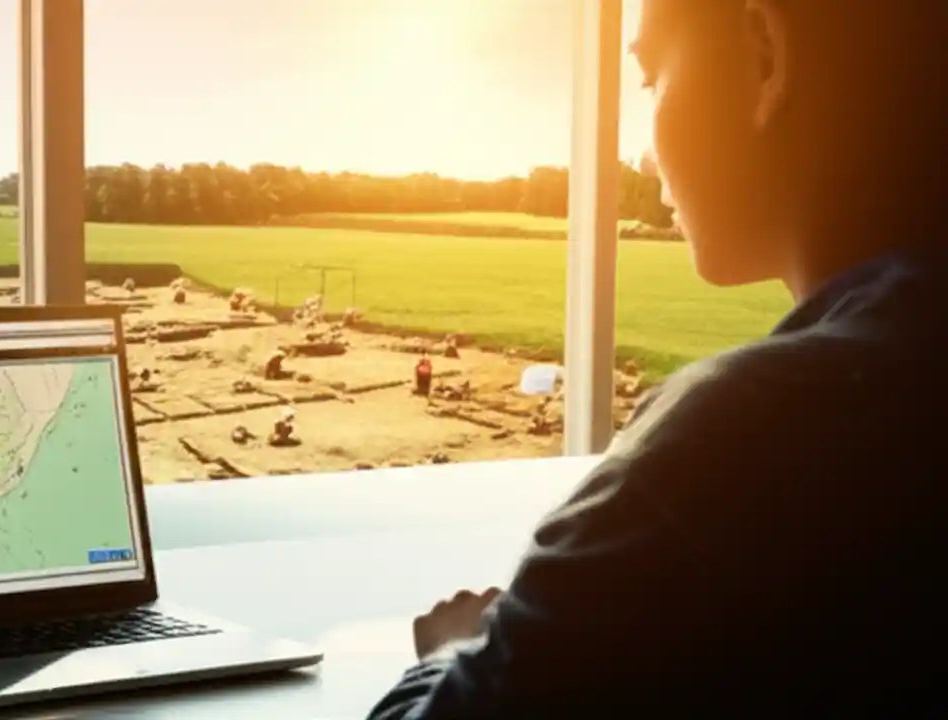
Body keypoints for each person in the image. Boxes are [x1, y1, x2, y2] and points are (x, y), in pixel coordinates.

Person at [368, 2, 948, 716]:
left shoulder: (748, 436)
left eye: (649, 79)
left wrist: (455, 652)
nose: (644, 156)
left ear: (764, 55)